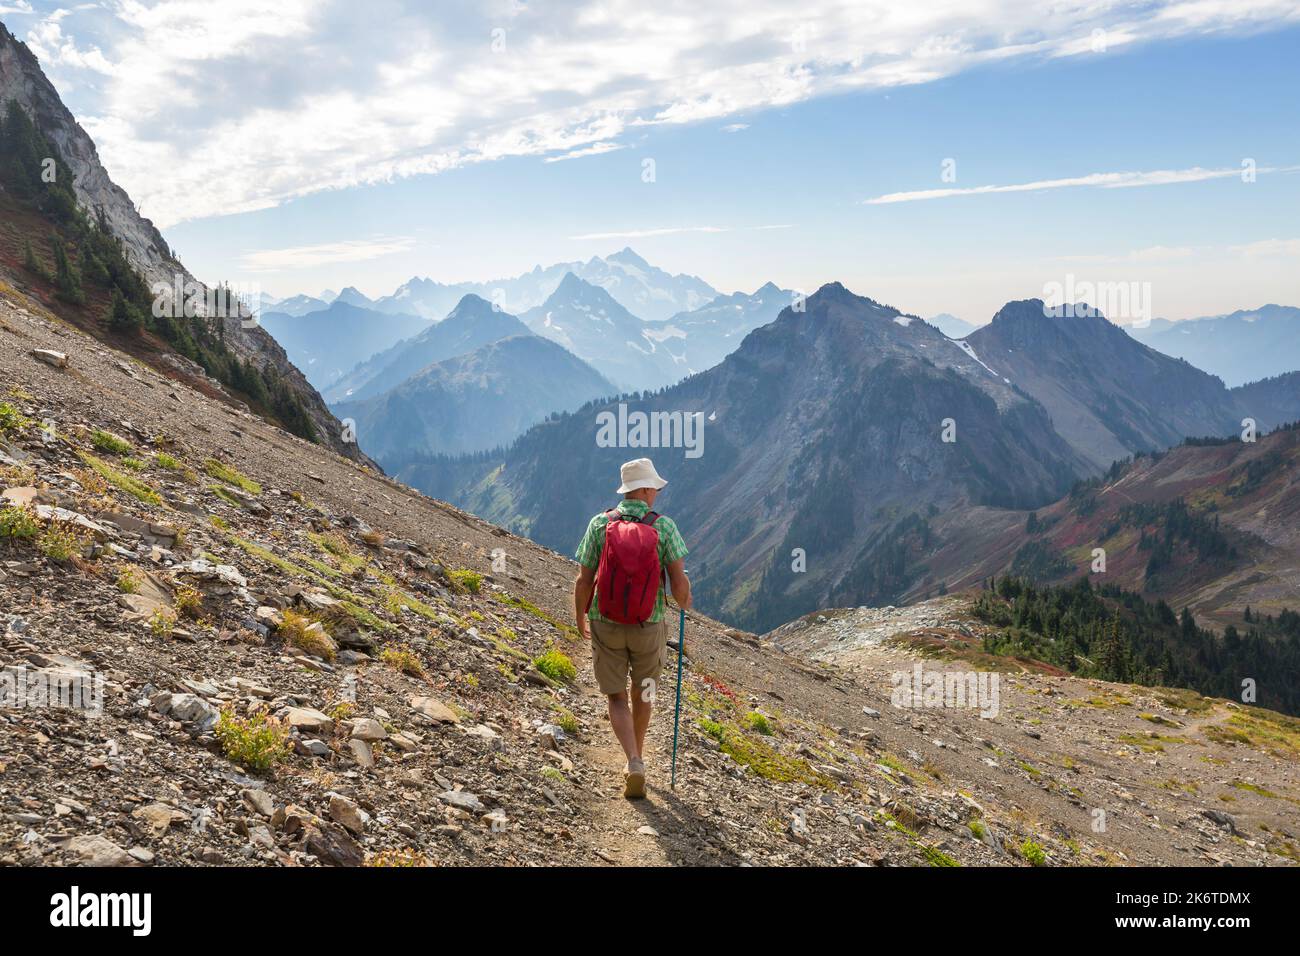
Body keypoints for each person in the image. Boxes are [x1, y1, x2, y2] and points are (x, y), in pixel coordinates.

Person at [574, 457, 691, 798]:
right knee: (646, 691)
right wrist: (684, 601)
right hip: (649, 624)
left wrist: (580, 616)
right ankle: (637, 757)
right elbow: (679, 583)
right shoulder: (664, 527)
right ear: (642, 489)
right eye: (653, 487)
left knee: (616, 695)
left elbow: (584, 580)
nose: (656, 492)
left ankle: (633, 758)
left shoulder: (600, 523)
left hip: (605, 621)